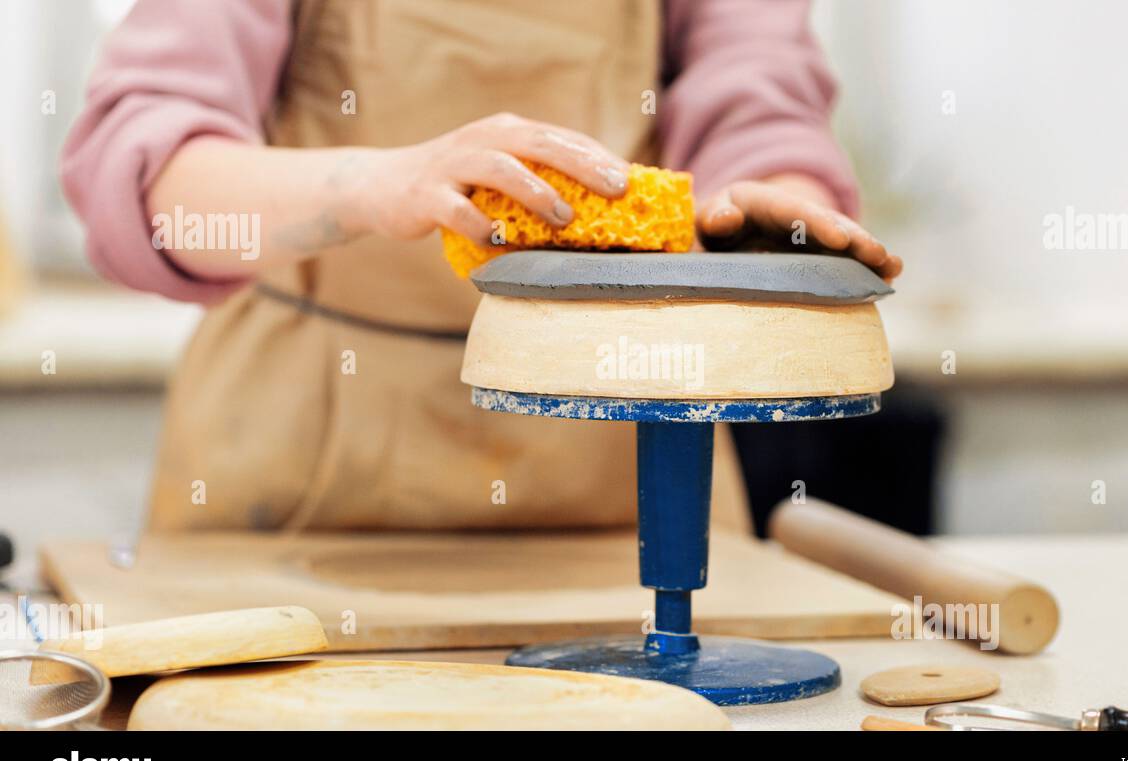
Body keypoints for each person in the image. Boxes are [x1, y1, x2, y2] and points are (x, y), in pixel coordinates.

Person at [61, 0, 901, 534]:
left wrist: (775, 204)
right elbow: (145, 176)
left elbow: (758, 98)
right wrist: (370, 185)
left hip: (619, 438)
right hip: (300, 456)